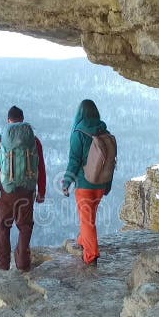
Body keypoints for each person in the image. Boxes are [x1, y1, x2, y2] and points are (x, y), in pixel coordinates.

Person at [0, 106, 46, 271]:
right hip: (27, 191)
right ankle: (22, 263)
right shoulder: (34, 141)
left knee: (3, 228)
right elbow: (41, 167)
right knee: (25, 226)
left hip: (6, 192)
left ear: (8, 121)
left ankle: (2, 266)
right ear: (22, 119)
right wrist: (41, 191)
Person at [62, 99, 113, 266]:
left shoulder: (79, 133)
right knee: (89, 217)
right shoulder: (104, 132)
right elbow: (111, 162)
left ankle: (91, 256)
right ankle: (83, 241)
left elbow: (74, 161)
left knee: (87, 220)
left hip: (85, 185)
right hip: (100, 184)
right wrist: (107, 185)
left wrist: (67, 181)